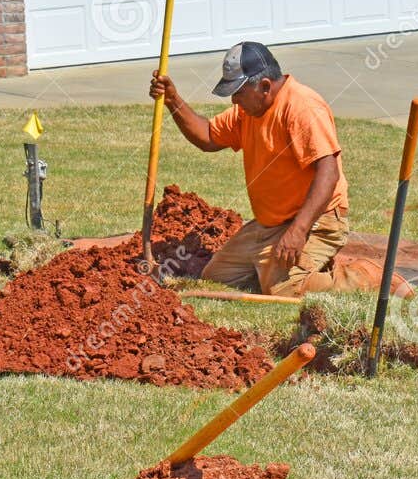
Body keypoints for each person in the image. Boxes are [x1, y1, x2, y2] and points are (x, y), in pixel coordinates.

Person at [149, 42, 378, 296]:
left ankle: (364, 277)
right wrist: (172, 100)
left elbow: (329, 172)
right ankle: (298, 268)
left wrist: (298, 231)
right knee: (218, 277)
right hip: (271, 225)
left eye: (238, 92)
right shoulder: (248, 112)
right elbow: (208, 137)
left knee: (283, 290)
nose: (234, 100)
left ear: (265, 86)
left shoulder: (302, 107)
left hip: (317, 220)